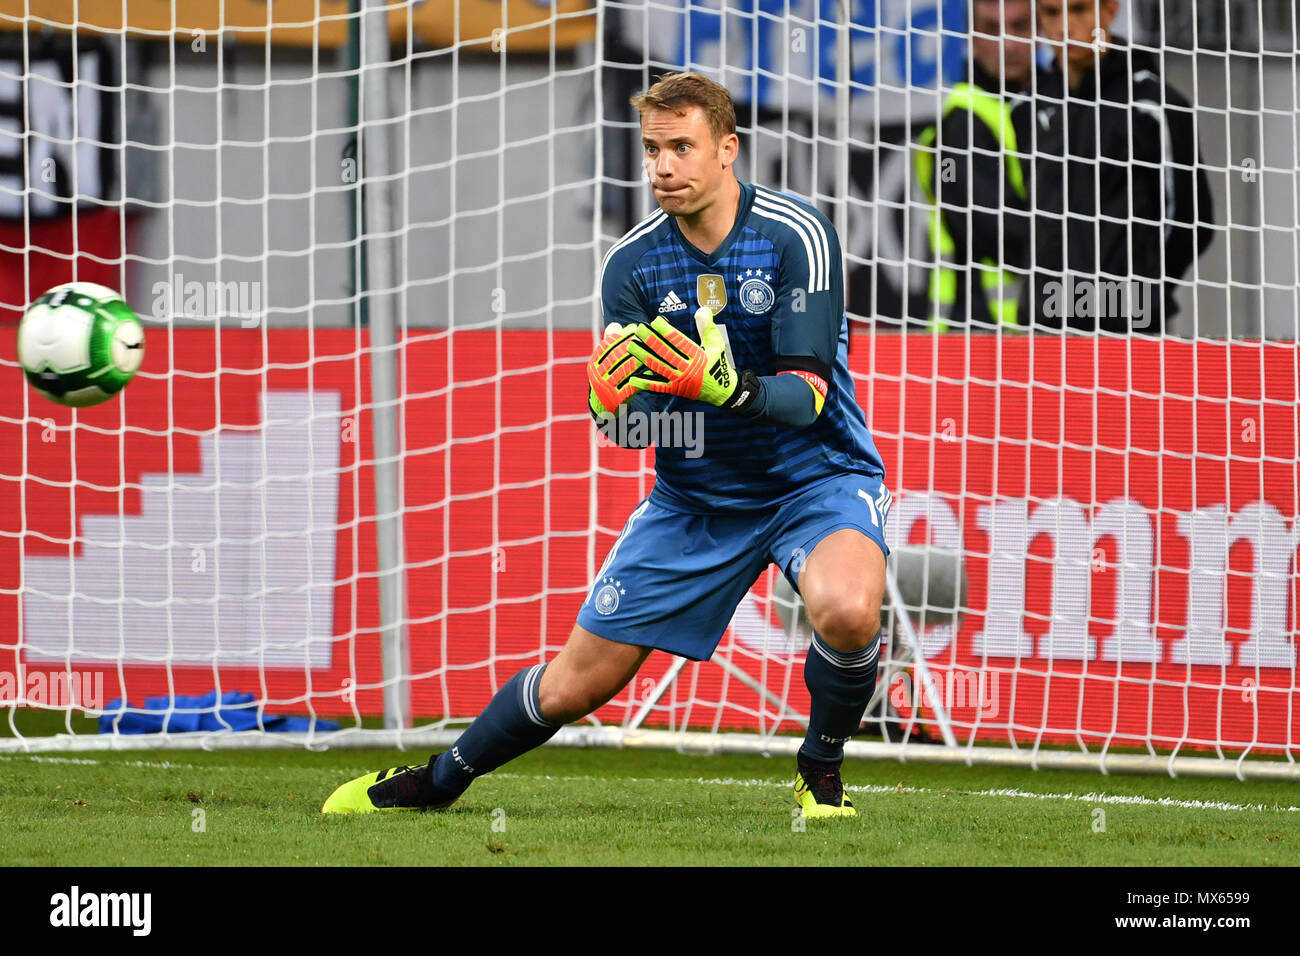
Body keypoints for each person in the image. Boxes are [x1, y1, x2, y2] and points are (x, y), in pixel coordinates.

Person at [322, 72, 892, 819]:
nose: (662, 167)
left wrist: (728, 388)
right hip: (696, 498)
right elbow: (638, 428)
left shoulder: (796, 234)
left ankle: (819, 771)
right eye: (652, 149)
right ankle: (438, 780)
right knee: (572, 688)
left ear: (728, 149)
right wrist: (609, 405)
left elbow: (807, 396)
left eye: (681, 147)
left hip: (813, 480)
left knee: (849, 611)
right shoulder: (633, 265)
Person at [1014, 0, 1214, 333]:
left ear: (1109, 9)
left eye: (1078, 10)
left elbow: (1193, 220)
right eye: (1051, 13)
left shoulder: (1154, 106)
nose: (1065, 27)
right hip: (1045, 322)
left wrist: (1143, 292)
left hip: (1132, 326)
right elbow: (1020, 212)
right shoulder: (1025, 109)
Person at [915, 0, 1036, 330]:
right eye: (992, 29)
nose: (1008, 44)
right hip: (974, 327)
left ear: (1038, 31)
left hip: (1022, 326)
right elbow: (990, 226)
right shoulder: (961, 120)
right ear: (970, 36)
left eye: (1020, 26)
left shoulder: (1041, 106)